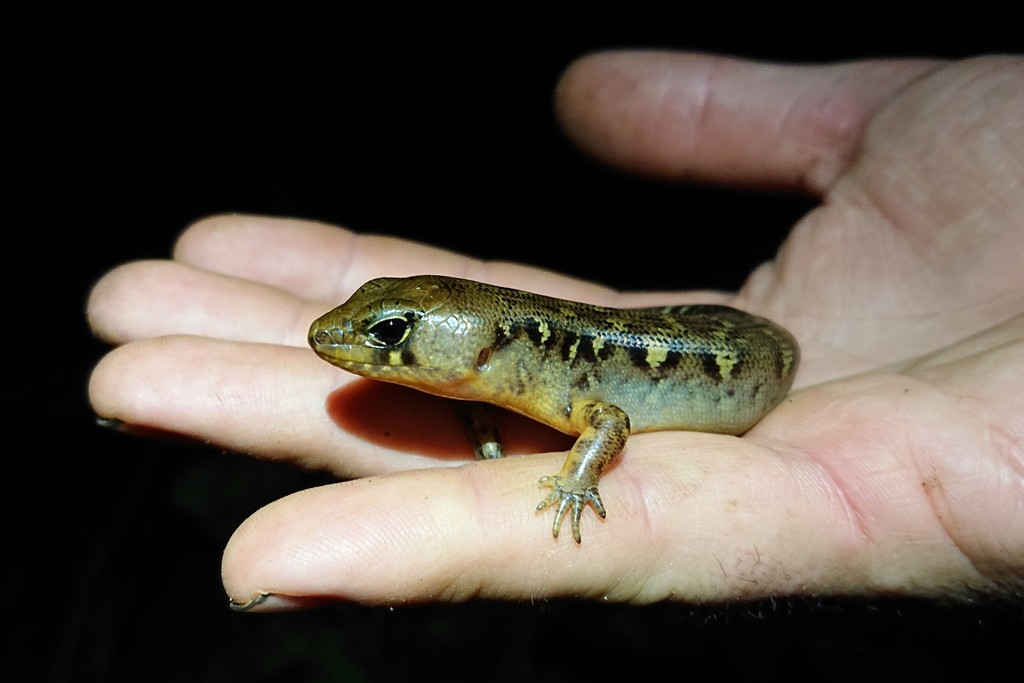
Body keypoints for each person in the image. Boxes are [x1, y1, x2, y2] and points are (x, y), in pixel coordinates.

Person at [88, 52, 1023, 609]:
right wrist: (491, 423)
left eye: (392, 334)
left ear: (485, 345)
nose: (357, 346)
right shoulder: (512, 368)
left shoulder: (566, 381)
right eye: (383, 330)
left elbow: (607, 425)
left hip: (754, 360)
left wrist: (574, 478)